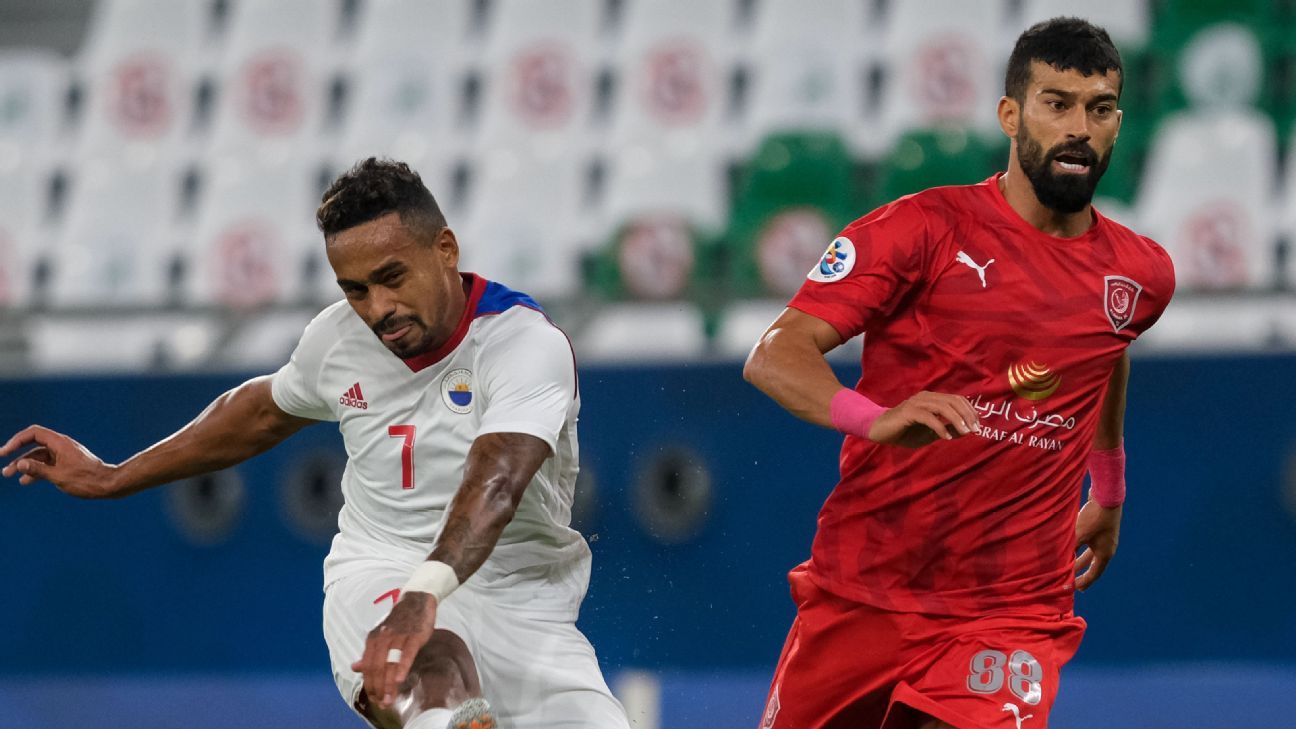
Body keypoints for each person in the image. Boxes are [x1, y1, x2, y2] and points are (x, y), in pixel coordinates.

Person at [0, 158, 631, 729]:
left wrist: (426, 595)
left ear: (445, 249)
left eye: (391, 277)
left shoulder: (524, 345)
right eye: (355, 289)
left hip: (524, 603)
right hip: (383, 572)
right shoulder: (337, 341)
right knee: (437, 681)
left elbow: (497, 479)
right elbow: (260, 412)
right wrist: (113, 475)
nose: (378, 308)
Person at [743, 17, 1175, 729]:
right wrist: (871, 416)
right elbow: (776, 353)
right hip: (865, 593)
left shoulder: (1142, 273)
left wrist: (1112, 487)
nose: (1079, 128)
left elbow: (1106, 346)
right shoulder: (920, 230)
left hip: (1011, 612)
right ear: (1010, 115)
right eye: (1056, 103)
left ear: (1119, 122)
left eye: (1099, 109)